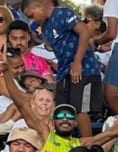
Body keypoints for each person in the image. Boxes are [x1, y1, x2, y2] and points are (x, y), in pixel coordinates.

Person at [22, 0, 100, 137]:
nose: (32, 20)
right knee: (62, 110)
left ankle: (88, 147)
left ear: (39, 6)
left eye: (32, 15)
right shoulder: (44, 28)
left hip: (83, 68)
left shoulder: (63, 13)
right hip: (64, 72)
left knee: (79, 109)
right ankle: (63, 145)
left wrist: (77, 62)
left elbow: (85, 33)